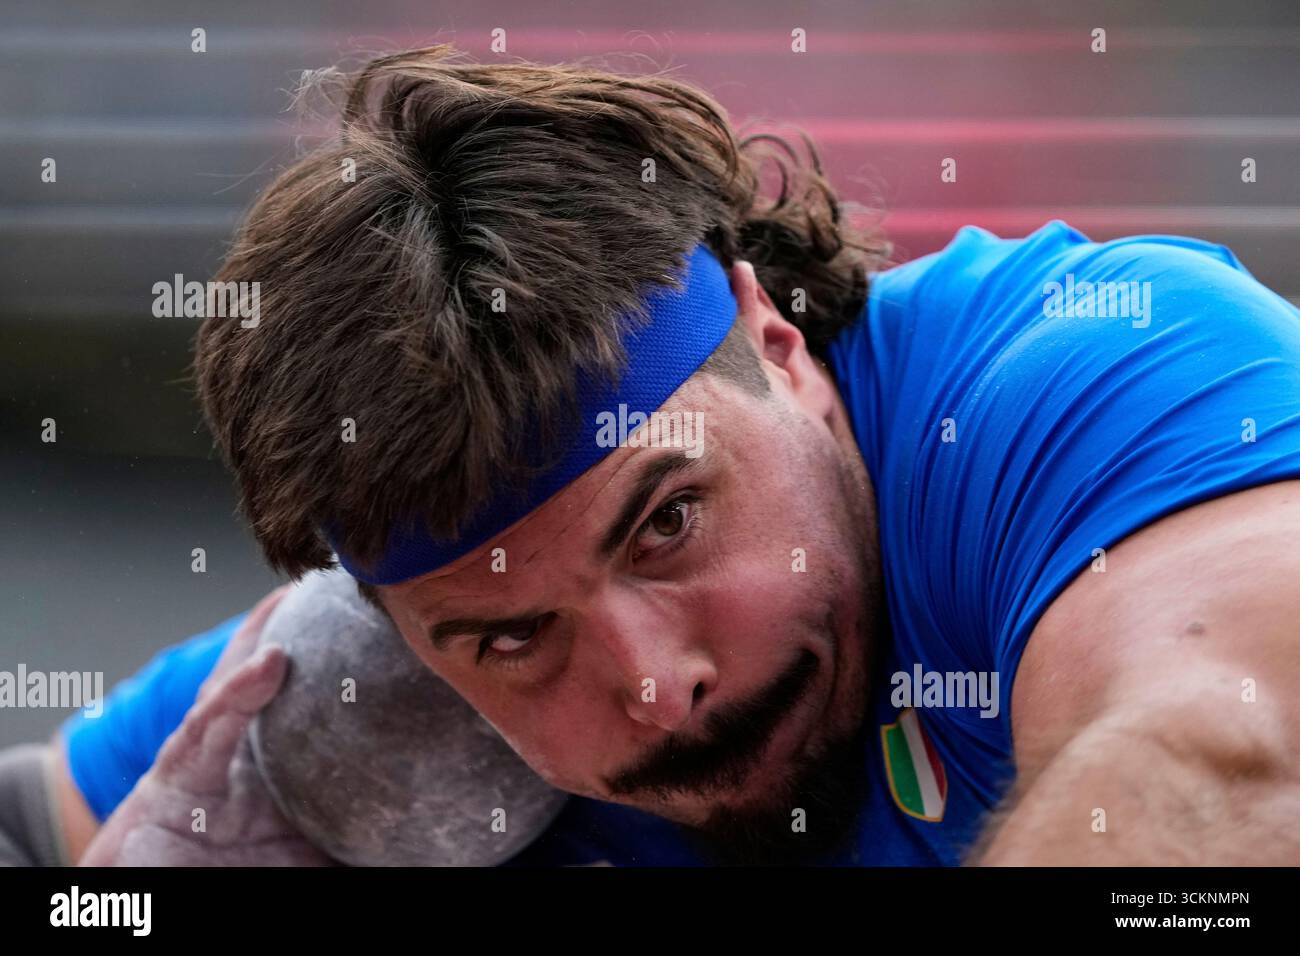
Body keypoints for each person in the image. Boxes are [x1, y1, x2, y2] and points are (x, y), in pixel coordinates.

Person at [8, 44, 1300, 866]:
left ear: (771, 338)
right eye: (513, 639)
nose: (654, 686)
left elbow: (1234, 761)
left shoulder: (1093, 374)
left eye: (668, 522)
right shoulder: (355, 696)